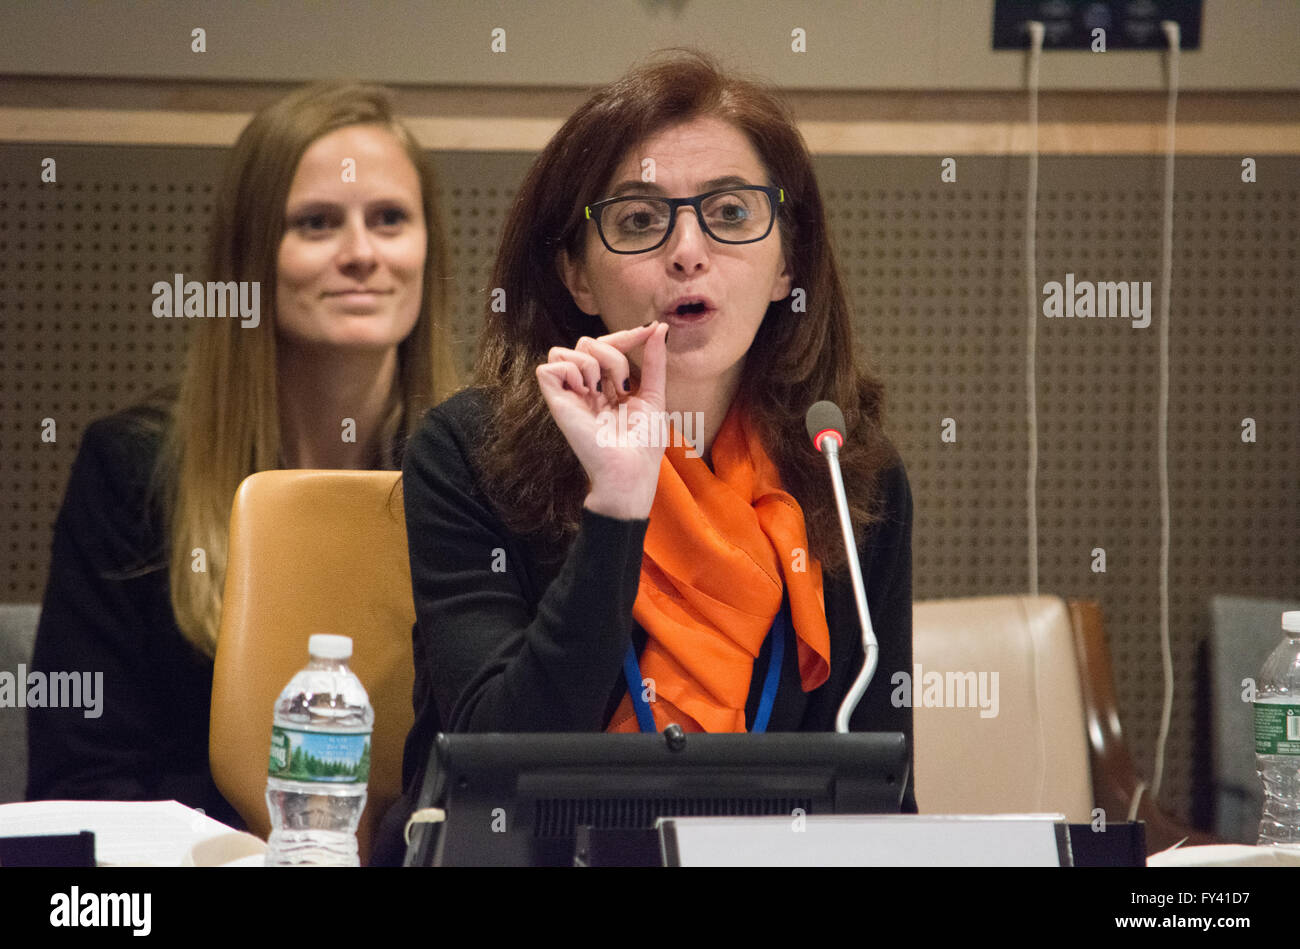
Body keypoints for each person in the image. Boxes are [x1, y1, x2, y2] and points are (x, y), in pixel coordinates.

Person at [385, 47, 915, 860]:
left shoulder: (843, 471)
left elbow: (881, 796)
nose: (689, 250)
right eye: (639, 221)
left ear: (787, 265)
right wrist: (618, 507)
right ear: (577, 277)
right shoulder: (472, 452)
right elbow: (499, 767)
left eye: (730, 213)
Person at [26, 82, 457, 828]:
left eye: (389, 219)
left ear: (429, 250)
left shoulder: (483, 471)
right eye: (317, 223)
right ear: (250, 256)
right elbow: (81, 785)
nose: (361, 254)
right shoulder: (132, 468)